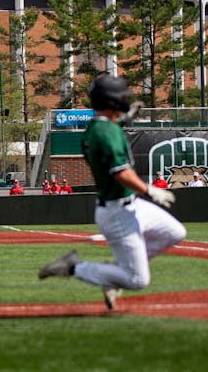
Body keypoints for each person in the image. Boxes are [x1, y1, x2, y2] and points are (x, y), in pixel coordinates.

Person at [38, 74, 186, 310]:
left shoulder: (103, 127)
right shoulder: (103, 133)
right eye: (121, 97)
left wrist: (125, 118)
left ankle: (114, 272)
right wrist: (150, 190)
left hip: (130, 205)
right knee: (138, 280)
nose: (124, 100)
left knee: (175, 232)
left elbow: (110, 128)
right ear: (110, 101)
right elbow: (120, 172)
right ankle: (73, 267)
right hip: (118, 213)